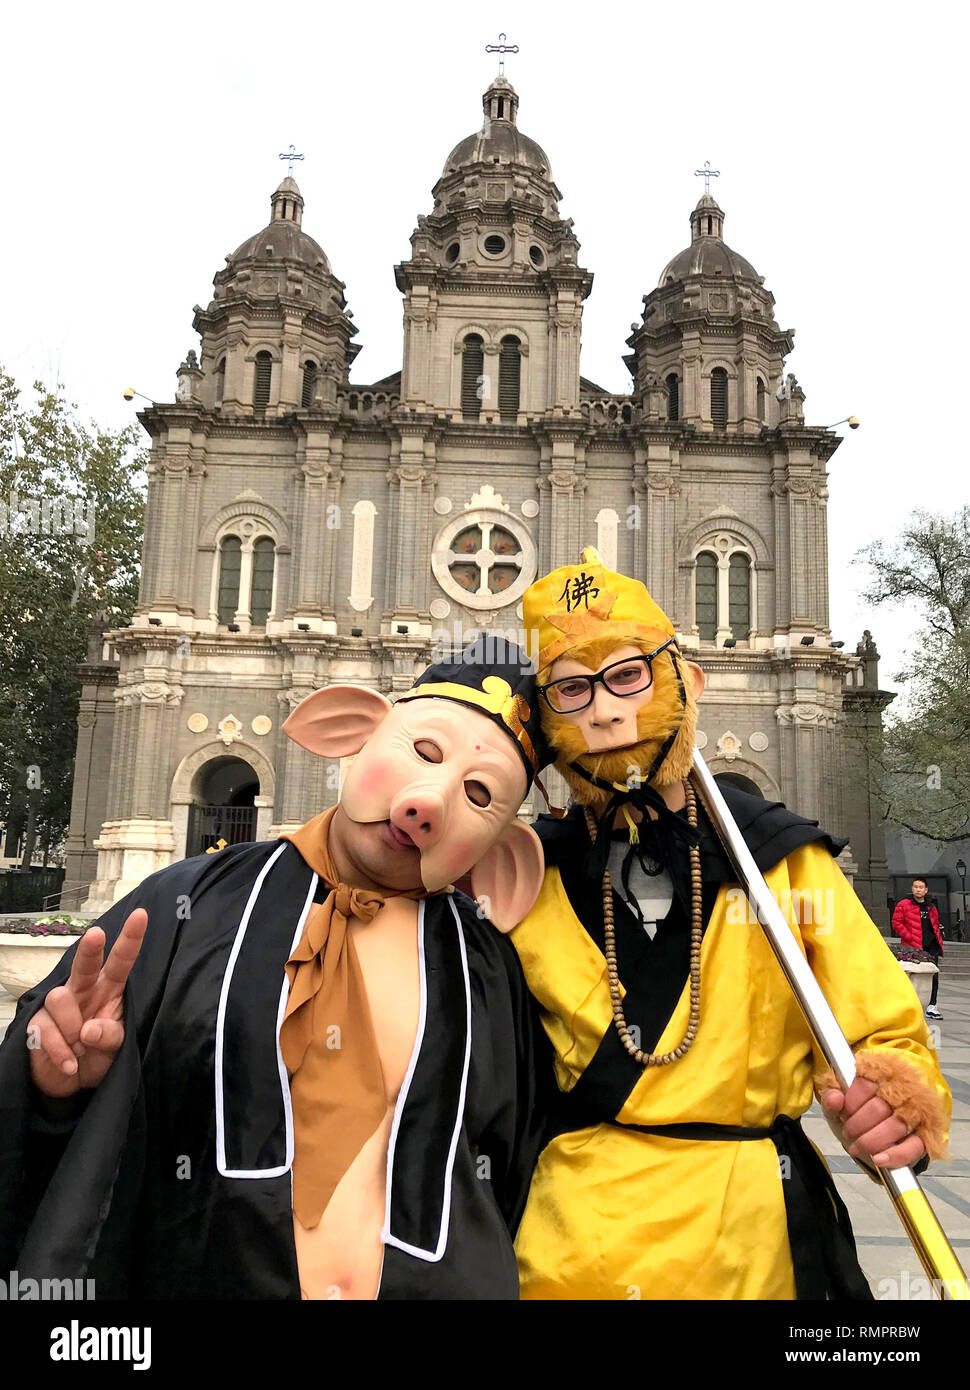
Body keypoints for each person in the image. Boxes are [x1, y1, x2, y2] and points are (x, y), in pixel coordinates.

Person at [0, 640, 551, 1300]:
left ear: (506, 853)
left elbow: (517, 1168)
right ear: (354, 731)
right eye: (425, 751)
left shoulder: (489, 972)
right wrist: (59, 1081)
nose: (428, 802)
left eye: (480, 794)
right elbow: (66, 1128)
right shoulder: (186, 907)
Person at [510, 548, 951, 1300]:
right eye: (571, 689)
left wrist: (892, 1101)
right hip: (569, 1238)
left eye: (627, 675)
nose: (604, 711)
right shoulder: (529, 871)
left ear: (687, 681)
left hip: (750, 1233)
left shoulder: (779, 857)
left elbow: (877, 1026)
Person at [893, 878, 944, 1020]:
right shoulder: (903, 904)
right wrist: (909, 937)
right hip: (912, 946)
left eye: (921, 887)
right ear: (912, 888)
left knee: (933, 976)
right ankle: (908, 1005)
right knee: (911, 976)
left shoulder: (931, 907)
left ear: (926, 890)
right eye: (915, 886)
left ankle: (931, 1006)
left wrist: (938, 942)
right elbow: (896, 923)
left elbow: (935, 925)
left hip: (931, 947)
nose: (918, 889)